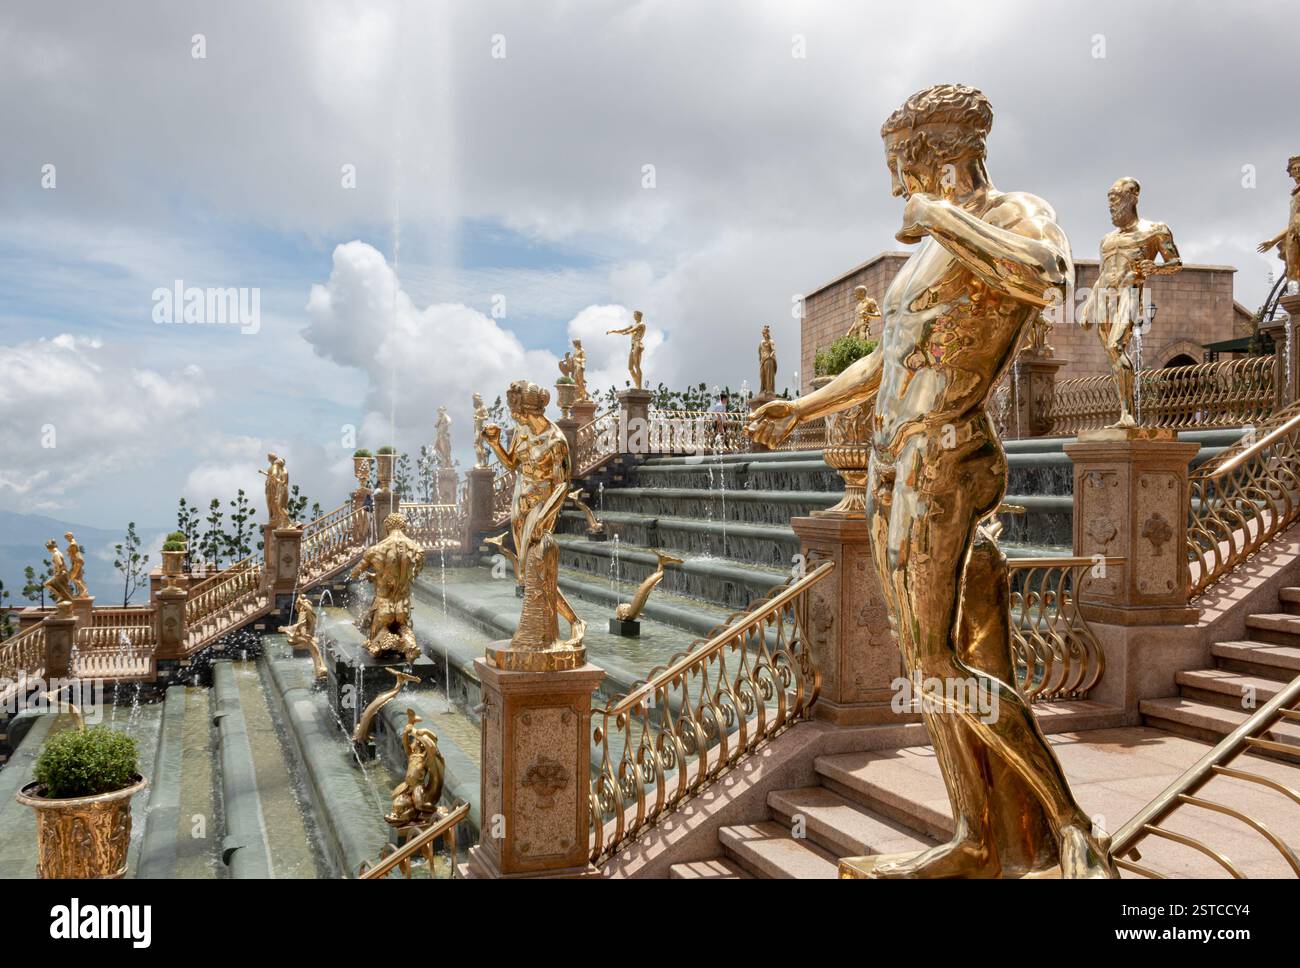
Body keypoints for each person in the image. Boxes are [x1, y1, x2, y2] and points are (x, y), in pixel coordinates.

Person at [749, 83, 1113, 879]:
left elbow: (1048, 277)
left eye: (899, 166)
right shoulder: (926, 257)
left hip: (947, 457)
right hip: (895, 463)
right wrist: (800, 407)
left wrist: (942, 214)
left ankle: (1074, 827)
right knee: (943, 663)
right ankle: (982, 839)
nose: (894, 187)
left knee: (938, 667)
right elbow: (895, 358)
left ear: (936, 156)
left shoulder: (1013, 213)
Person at [1078, 177, 1182, 428]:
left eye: (1117, 198)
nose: (1112, 205)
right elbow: (1102, 274)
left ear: (1133, 197)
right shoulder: (1107, 240)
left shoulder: (1155, 230)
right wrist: (1089, 305)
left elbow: (1175, 263)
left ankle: (1128, 414)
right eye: (1109, 200)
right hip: (1104, 296)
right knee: (1112, 356)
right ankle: (1123, 412)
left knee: (1116, 347)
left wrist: (1154, 268)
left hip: (1129, 292)